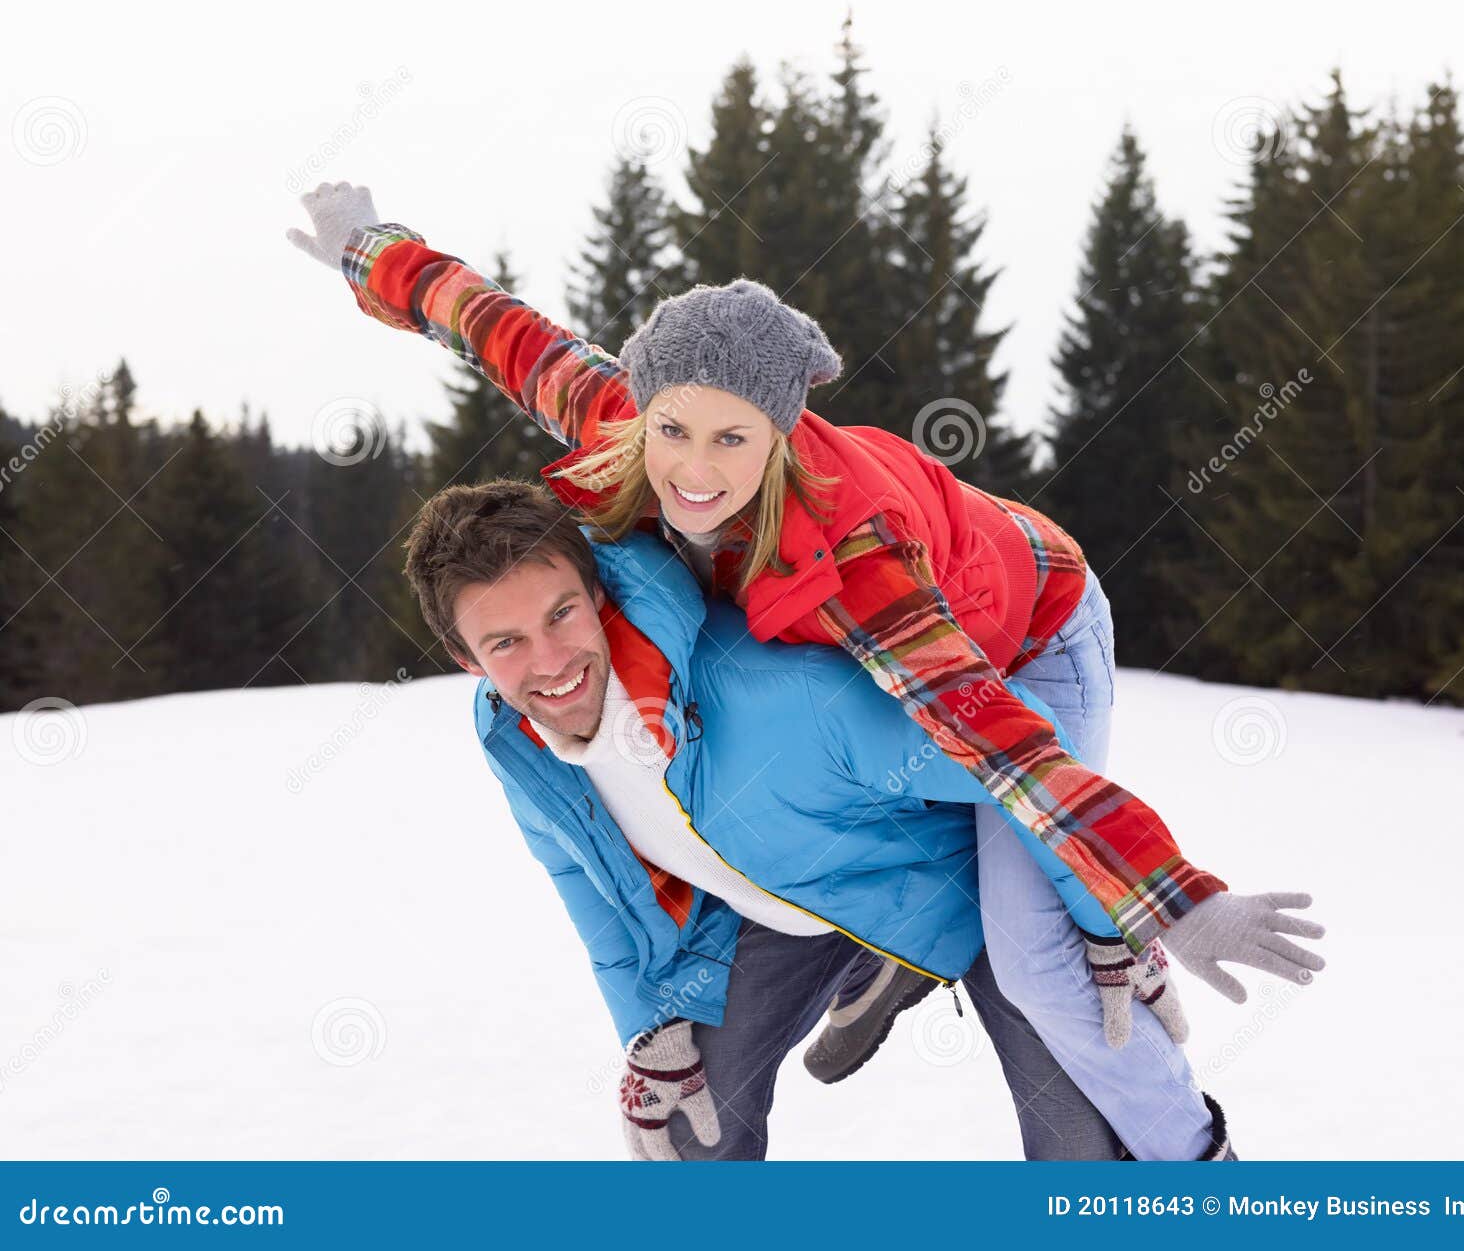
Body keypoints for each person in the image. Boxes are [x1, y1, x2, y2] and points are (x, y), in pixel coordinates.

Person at [289, 183, 1326, 1151]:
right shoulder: (622, 432)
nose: (695, 469)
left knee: (1041, 964)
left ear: (780, 436)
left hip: (1030, 633)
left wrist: (1158, 901)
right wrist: (364, 249)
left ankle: (1197, 1166)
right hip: (910, 662)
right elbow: (500, 328)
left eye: (733, 439)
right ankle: (886, 941)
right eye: (674, 431)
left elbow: (1007, 752)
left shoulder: (853, 561)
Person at [400, 477, 1235, 1160]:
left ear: (597, 594)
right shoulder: (516, 739)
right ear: (466, 660)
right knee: (694, 1127)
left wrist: (1109, 912)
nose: (549, 663)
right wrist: (650, 1029)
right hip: (794, 905)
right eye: (505, 643)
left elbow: (1015, 764)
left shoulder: (779, 702)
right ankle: (874, 964)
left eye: (560, 614)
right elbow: (588, 892)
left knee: (1083, 1159)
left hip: (963, 873)